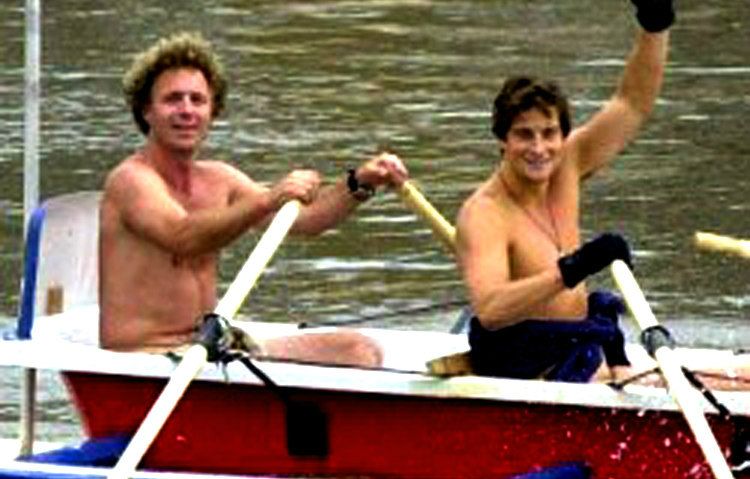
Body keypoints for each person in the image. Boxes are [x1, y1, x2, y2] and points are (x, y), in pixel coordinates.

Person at [99, 32, 408, 368]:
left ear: (212, 110)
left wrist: (360, 182)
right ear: (146, 110)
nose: (187, 110)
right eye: (173, 99)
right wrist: (268, 199)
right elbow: (183, 237)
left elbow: (307, 221)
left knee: (358, 351)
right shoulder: (130, 181)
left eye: (197, 100)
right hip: (147, 357)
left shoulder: (220, 178)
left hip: (207, 344)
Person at [455, 0, 675, 382]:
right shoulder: (483, 213)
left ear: (563, 136)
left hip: (578, 348)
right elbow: (490, 310)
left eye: (549, 134)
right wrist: (576, 267)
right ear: (502, 140)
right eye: (524, 135)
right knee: (713, 382)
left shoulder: (567, 165)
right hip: (530, 369)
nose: (539, 149)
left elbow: (632, 104)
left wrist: (655, 23)